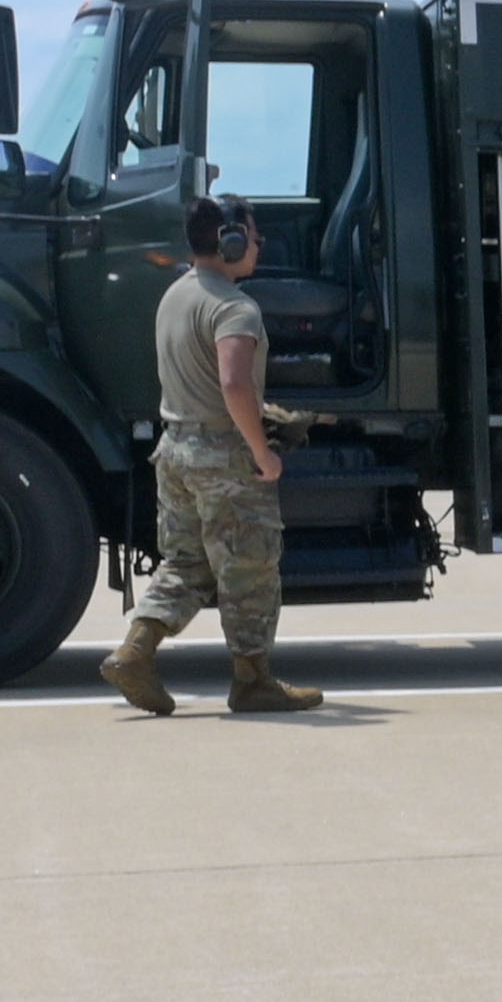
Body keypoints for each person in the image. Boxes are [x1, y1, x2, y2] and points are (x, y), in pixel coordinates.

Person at [108, 194, 329, 717]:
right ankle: (253, 683)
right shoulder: (235, 307)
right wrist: (263, 452)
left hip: (177, 448)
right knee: (250, 567)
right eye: (254, 237)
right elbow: (233, 384)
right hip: (224, 458)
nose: (258, 247)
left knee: (185, 563)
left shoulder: (175, 295)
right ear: (230, 241)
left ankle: (134, 652)